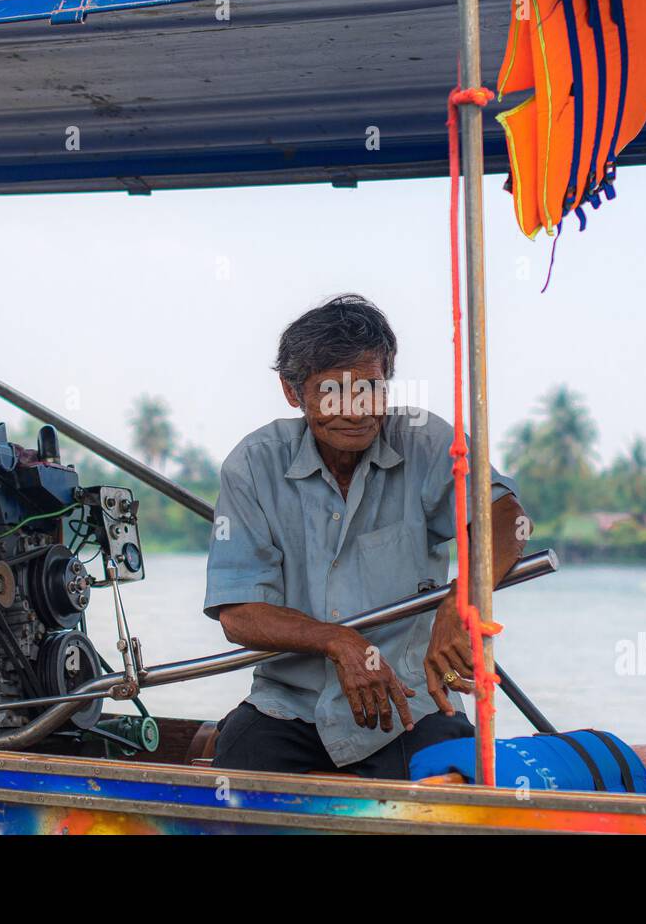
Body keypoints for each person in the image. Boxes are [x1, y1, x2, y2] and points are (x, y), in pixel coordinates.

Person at [204, 294, 526, 779]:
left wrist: (461, 602)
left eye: (370, 390)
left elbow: (507, 518)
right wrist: (339, 642)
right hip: (290, 707)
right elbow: (239, 614)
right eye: (331, 392)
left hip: (411, 702)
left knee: (454, 787)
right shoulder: (254, 464)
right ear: (294, 394)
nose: (355, 411)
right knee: (237, 772)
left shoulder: (424, 440)